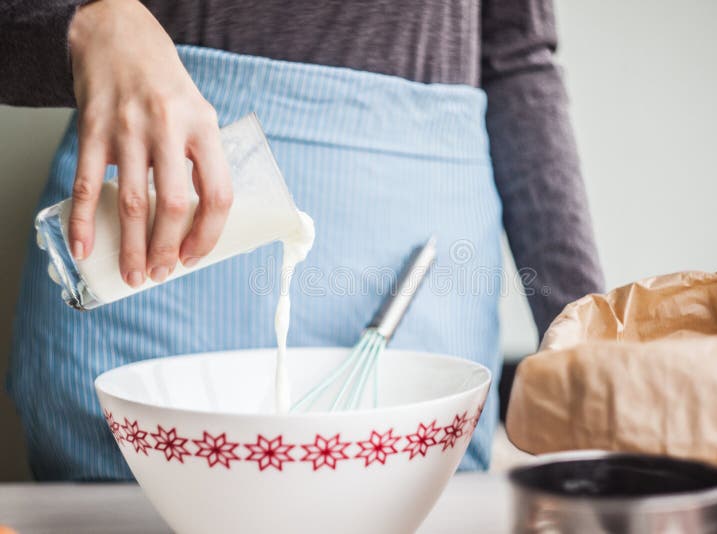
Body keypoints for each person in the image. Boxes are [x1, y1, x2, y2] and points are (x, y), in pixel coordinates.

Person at [1, 0, 603, 480]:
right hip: (145, 253)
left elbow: (519, 61)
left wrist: (594, 356)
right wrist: (83, 25)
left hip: (414, 264)